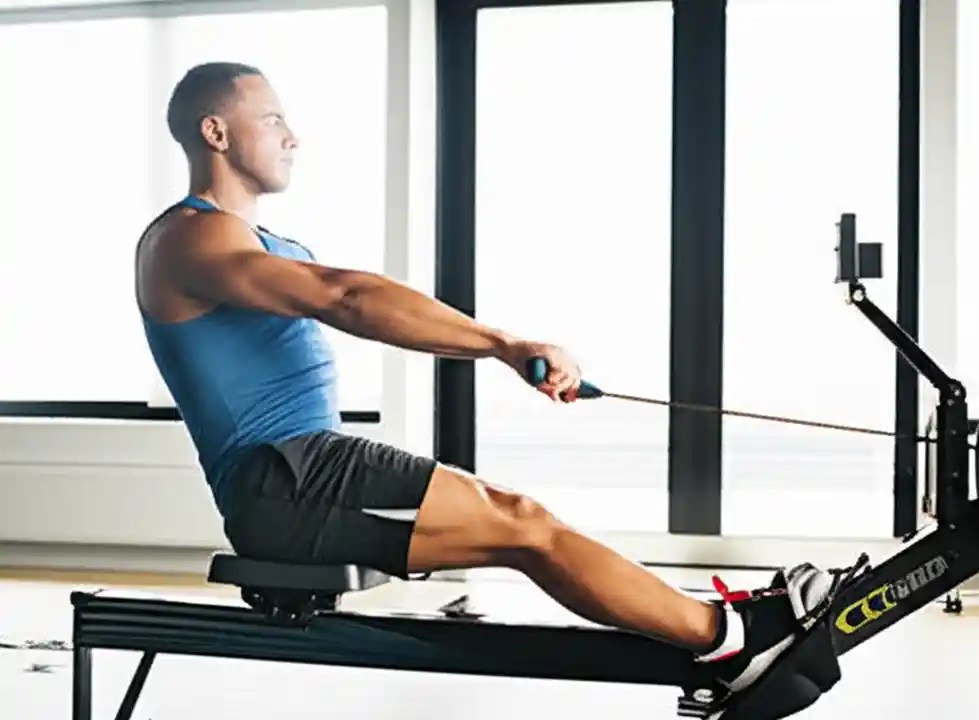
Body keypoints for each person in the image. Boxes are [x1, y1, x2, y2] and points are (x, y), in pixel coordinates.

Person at [134, 61, 840, 713]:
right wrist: (505, 345)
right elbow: (345, 297)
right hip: (283, 482)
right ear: (216, 131)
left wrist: (500, 350)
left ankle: (721, 628)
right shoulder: (189, 241)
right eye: (274, 119)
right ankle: (732, 637)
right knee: (523, 526)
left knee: (523, 522)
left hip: (307, 469)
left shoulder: (265, 243)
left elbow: (343, 296)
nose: (294, 137)